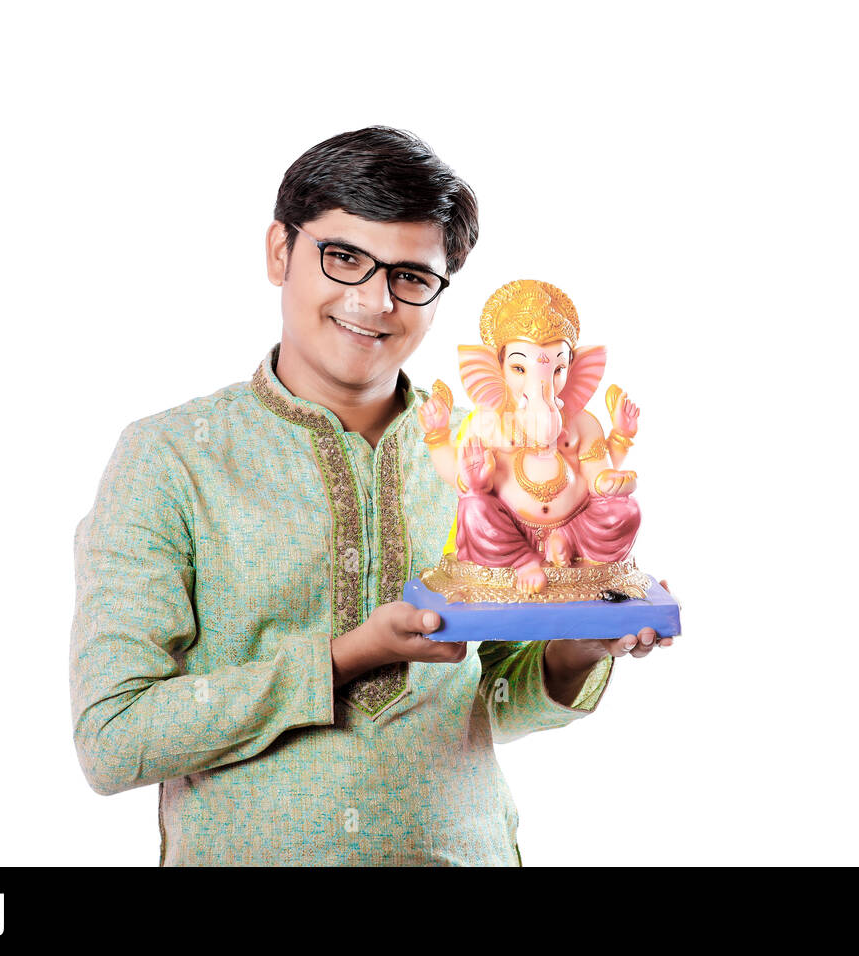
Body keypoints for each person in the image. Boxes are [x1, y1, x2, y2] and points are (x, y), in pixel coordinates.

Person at [69, 126, 673, 866]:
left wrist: (577, 648)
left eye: (411, 276)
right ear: (278, 251)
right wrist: (344, 658)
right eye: (344, 257)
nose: (375, 300)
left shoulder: (484, 456)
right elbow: (114, 738)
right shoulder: (169, 459)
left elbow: (487, 705)